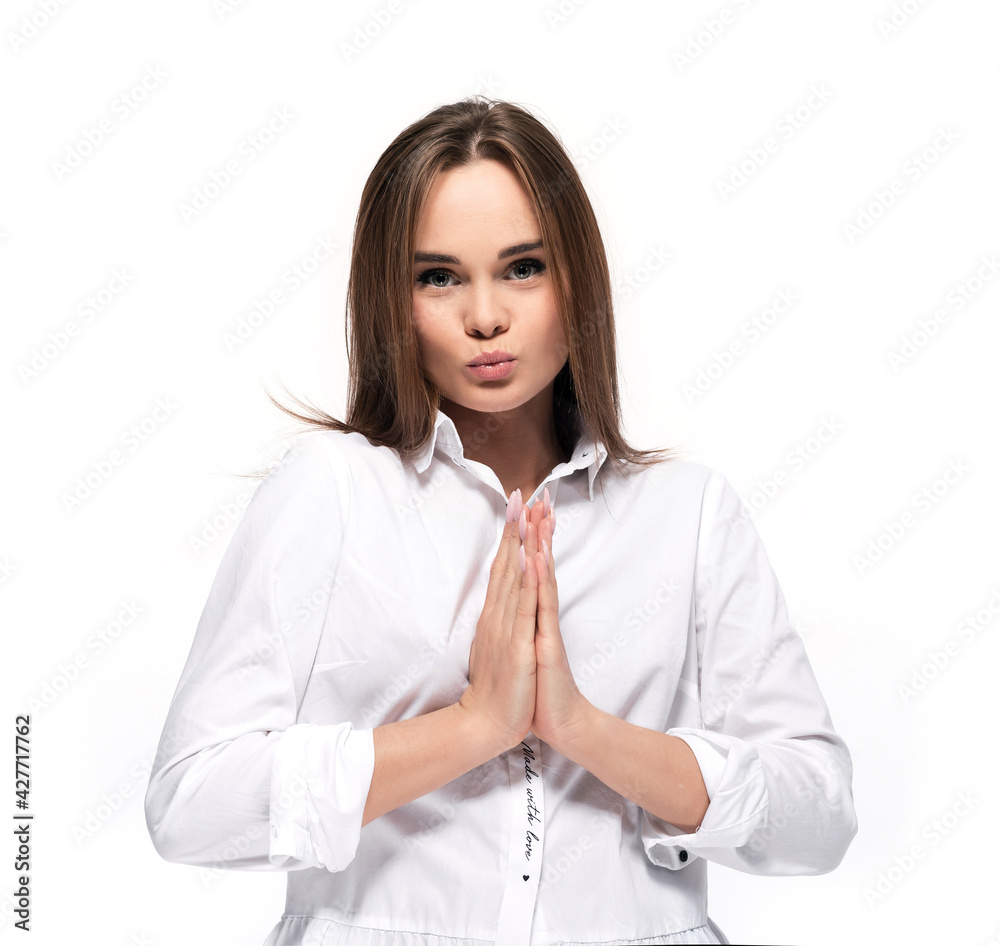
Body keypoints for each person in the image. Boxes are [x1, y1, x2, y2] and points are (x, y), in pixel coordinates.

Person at [144, 96, 858, 946]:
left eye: (523, 267)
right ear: (391, 299)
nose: (486, 316)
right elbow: (190, 804)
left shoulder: (688, 514)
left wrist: (584, 730)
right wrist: (473, 725)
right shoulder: (330, 493)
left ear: (577, 279)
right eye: (438, 276)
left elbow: (820, 817)